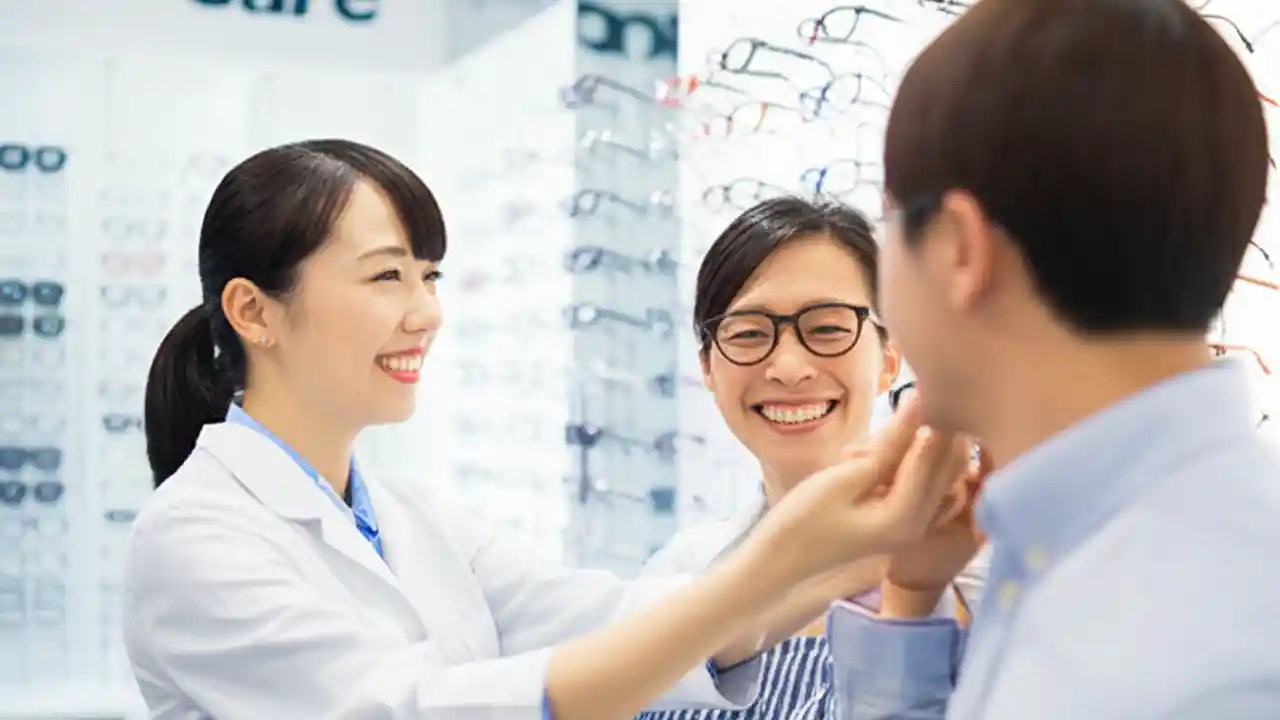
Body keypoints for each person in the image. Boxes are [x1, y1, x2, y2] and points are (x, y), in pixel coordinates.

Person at [122, 139, 972, 720]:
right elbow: (412, 709)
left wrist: (856, 565)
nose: (427, 314)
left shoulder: (412, 517)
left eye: (429, 276)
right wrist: (802, 557)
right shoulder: (195, 537)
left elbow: (608, 620)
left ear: (890, 348)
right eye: (386, 276)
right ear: (252, 311)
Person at [820, 0, 1280, 717]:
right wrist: (909, 603)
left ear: (957, 249)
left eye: (887, 221)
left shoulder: (1181, 658)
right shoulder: (1082, 540)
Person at [636, 198, 983, 720]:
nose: (790, 367)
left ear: (889, 359)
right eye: (748, 333)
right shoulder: (680, 571)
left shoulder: (971, 570)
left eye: (827, 328)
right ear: (708, 367)